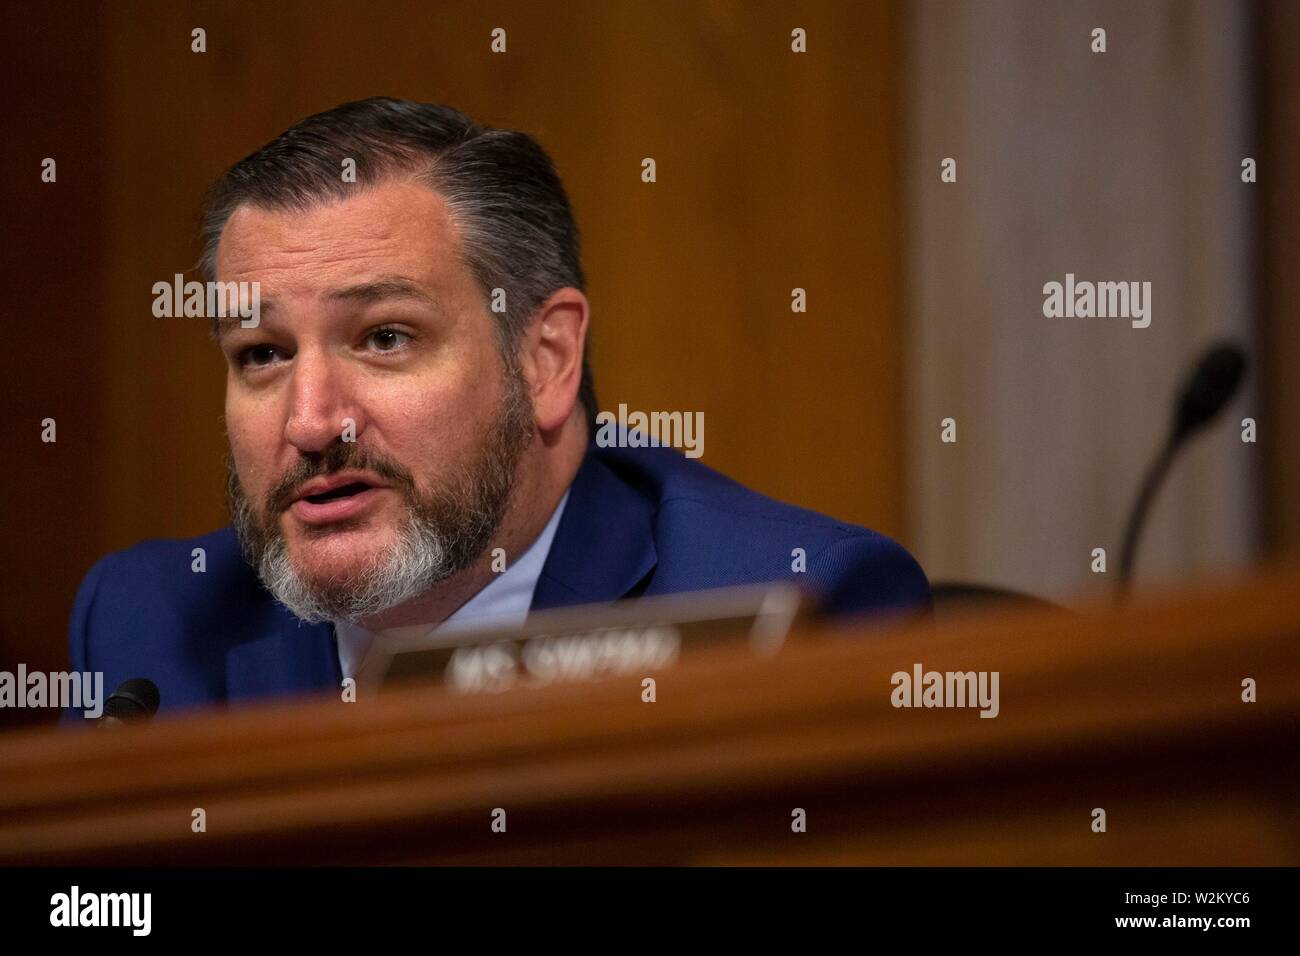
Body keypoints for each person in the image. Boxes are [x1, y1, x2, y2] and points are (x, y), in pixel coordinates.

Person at [66, 98, 929, 718]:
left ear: (545, 358)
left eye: (385, 338)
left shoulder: (795, 612)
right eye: (262, 355)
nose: (313, 422)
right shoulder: (148, 632)